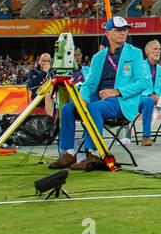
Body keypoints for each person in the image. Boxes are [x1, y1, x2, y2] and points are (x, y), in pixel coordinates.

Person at [49, 16, 150, 170]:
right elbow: (89, 83)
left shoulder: (135, 53)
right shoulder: (98, 57)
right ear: (108, 33)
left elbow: (144, 82)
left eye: (125, 30)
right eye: (118, 30)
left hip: (121, 100)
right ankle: (68, 153)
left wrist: (117, 91)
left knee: (93, 108)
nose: (123, 33)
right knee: (68, 108)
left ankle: (93, 153)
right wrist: (82, 98)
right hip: (100, 97)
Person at [136, 40, 161, 145]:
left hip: (159, 98)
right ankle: (146, 136)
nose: (158, 52)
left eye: (159, 49)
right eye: (155, 49)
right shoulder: (139, 67)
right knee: (148, 101)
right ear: (147, 51)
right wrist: (150, 95)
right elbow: (136, 86)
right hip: (142, 97)